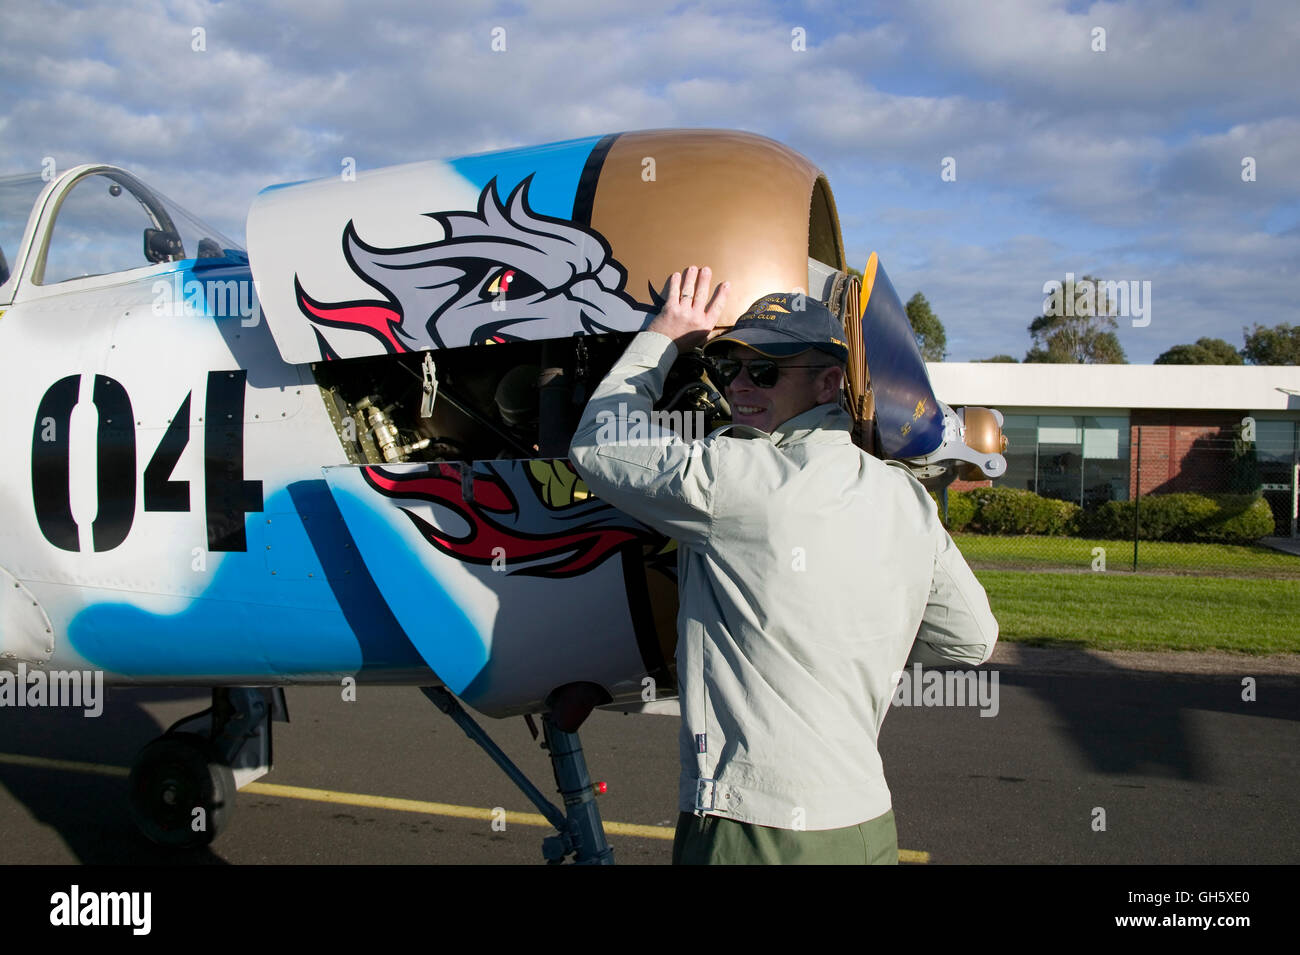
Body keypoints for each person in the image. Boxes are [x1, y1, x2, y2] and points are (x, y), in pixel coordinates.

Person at [568, 265, 998, 864]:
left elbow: (598, 445)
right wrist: (844, 642)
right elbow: (971, 640)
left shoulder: (736, 477)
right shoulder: (908, 499)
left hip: (755, 829)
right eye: (728, 367)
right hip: (865, 826)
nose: (740, 385)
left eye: (765, 370)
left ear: (827, 384)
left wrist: (664, 338)